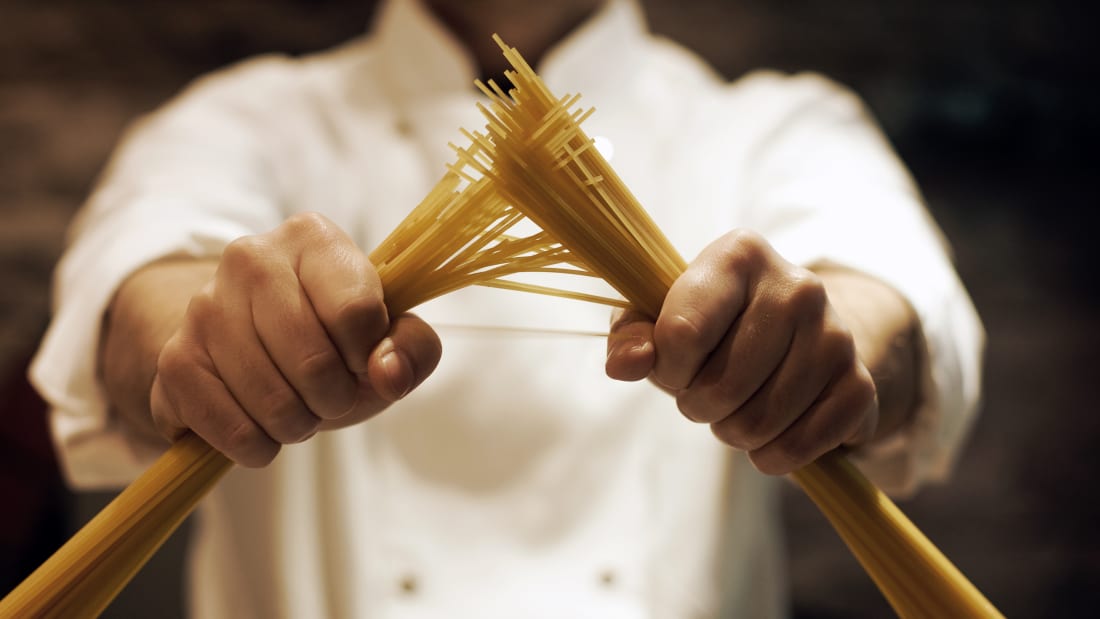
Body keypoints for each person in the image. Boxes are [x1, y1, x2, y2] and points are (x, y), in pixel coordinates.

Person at [30, 0, 985, 616]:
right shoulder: (240, 120)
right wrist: (204, 338)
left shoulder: (774, 126)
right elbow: (139, 281)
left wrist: (831, 351)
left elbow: (889, 296)